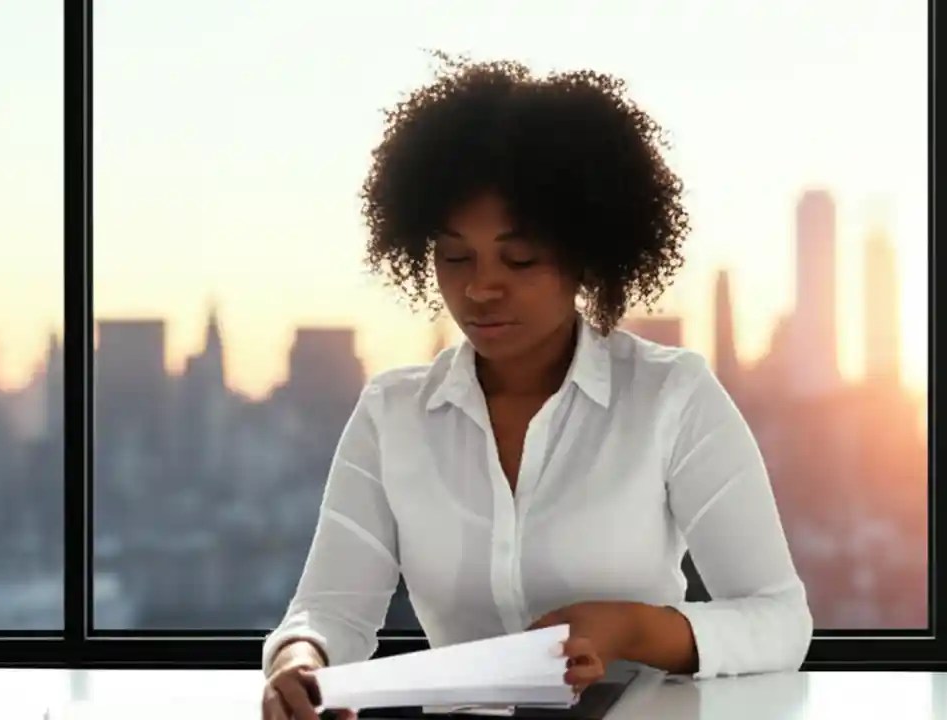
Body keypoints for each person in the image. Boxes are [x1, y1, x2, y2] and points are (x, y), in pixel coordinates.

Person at [260, 53, 813, 720]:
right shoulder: (392, 412)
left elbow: (780, 620)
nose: (479, 287)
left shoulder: (672, 396)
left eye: (519, 259)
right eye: (454, 256)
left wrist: (629, 629)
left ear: (585, 255)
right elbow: (329, 612)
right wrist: (300, 659)